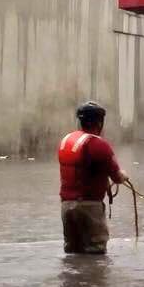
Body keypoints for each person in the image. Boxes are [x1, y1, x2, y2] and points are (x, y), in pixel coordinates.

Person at [58, 101, 128, 255]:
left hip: (66, 207)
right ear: (100, 123)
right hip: (89, 207)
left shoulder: (66, 141)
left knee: (72, 252)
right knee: (96, 254)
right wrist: (123, 176)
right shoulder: (98, 144)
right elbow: (116, 176)